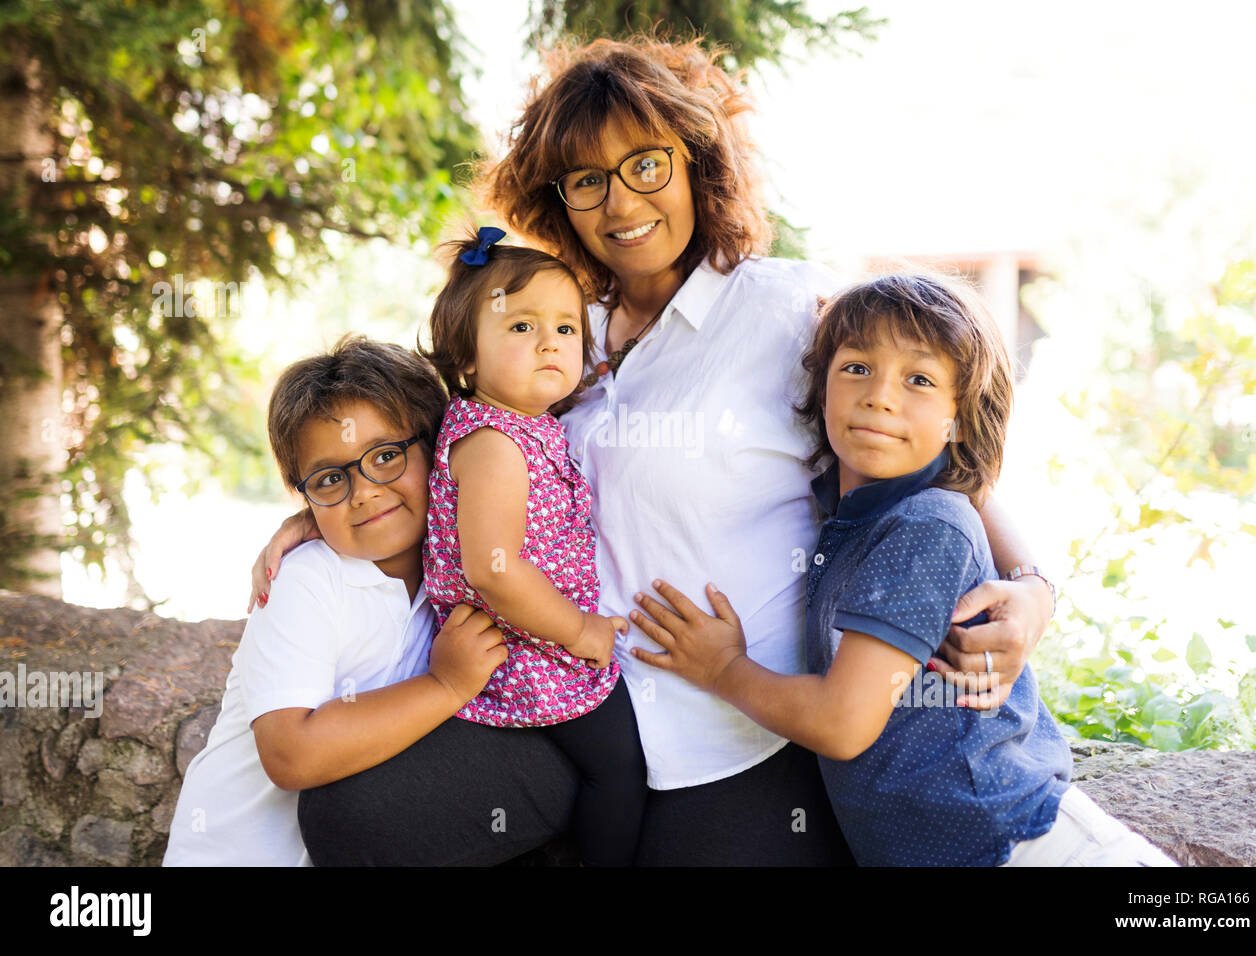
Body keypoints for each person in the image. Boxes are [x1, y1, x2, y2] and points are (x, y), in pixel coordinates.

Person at [250, 37, 1058, 866]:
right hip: (578, 699)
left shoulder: (782, 307)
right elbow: (469, 465)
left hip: (736, 727)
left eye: (646, 164)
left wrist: (1032, 589)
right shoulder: (562, 339)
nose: (620, 201)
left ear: (696, 164)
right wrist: (324, 512)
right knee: (354, 816)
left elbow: (914, 439)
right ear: (560, 201)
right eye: (587, 180)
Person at [629, 274, 1176, 866]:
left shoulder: (925, 525)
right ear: (821, 387)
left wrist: (724, 669)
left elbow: (843, 721)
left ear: (958, 417)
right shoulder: (854, 517)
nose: (880, 396)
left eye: (919, 379)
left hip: (1031, 848)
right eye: (857, 368)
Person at [164, 336, 506, 865]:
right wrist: (447, 684)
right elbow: (290, 754)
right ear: (305, 496)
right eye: (330, 478)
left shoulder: (460, 572)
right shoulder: (306, 580)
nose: (364, 491)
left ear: (440, 446)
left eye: (387, 456)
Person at [420, 228, 646, 866]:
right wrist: (581, 631)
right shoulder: (493, 444)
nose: (550, 341)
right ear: (466, 359)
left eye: (566, 328)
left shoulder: (529, 427)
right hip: (530, 652)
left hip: (536, 642)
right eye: (521, 327)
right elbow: (492, 570)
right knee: (619, 771)